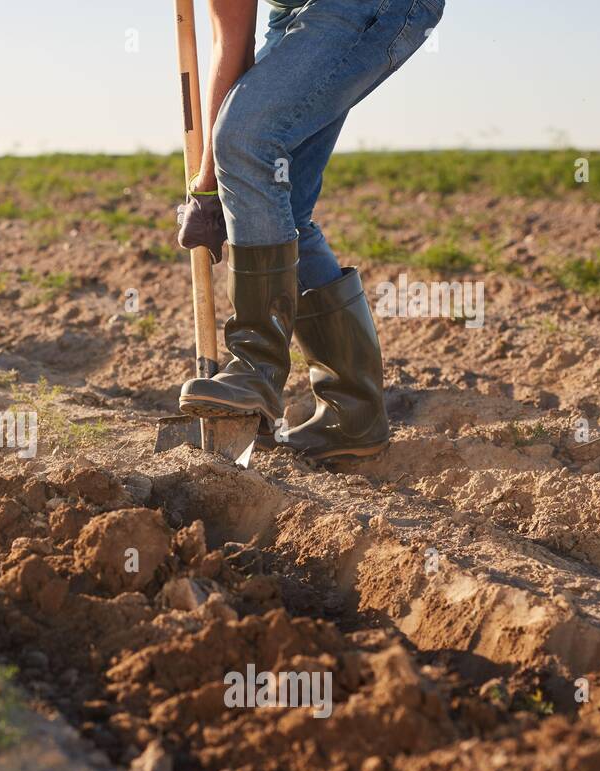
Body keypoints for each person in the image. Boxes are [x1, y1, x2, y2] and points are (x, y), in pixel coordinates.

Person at [176, 0, 445, 461]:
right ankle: (352, 418)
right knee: (286, 204)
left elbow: (240, 134)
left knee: (249, 140)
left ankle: (255, 367)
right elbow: (231, 45)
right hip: (299, 14)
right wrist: (207, 187)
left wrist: (215, 174)